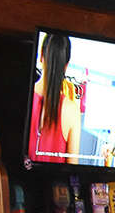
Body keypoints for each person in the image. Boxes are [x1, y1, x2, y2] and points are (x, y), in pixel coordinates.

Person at [27, 32, 80, 163]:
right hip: (54, 182)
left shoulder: (23, 95)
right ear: (66, 66)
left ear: (41, 56)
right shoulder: (71, 109)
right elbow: (72, 168)